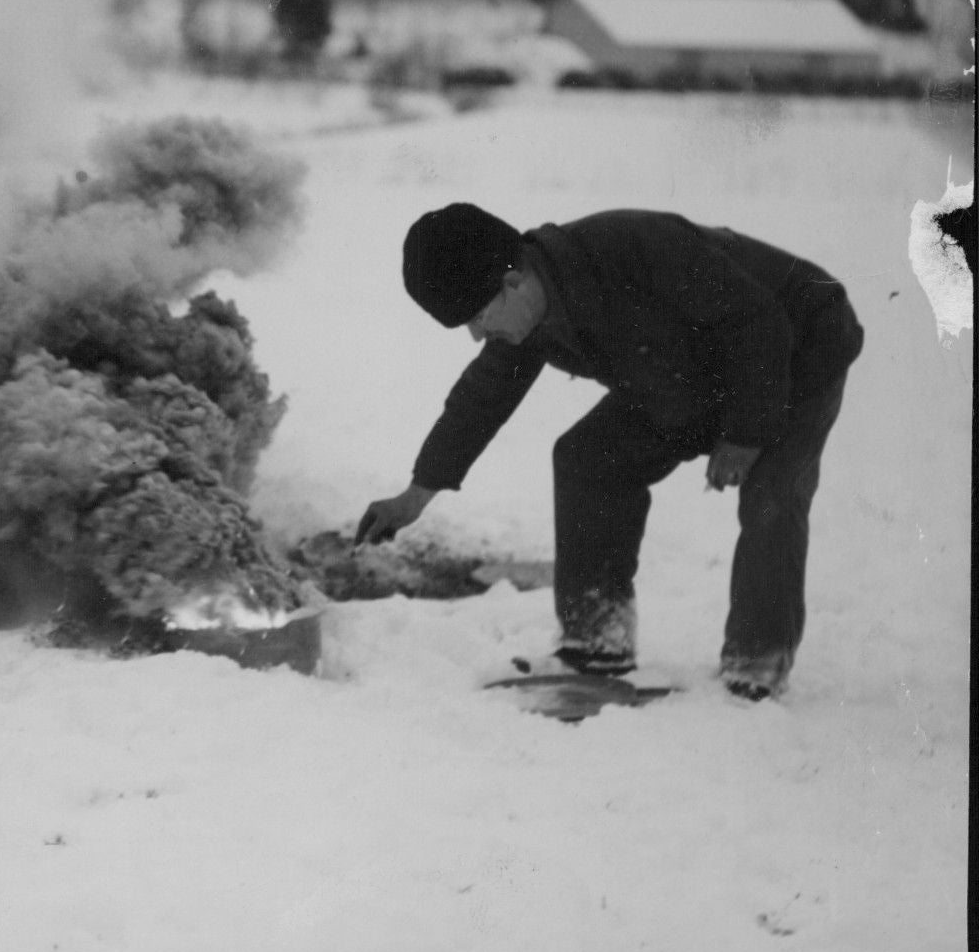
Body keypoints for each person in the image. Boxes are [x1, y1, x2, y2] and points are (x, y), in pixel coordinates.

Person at [356, 203, 864, 701]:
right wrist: (416, 495)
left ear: (514, 281)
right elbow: (480, 400)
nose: (476, 335)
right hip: (682, 373)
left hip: (794, 345)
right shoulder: (529, 309)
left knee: (772, 492)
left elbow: (756, 320)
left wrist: (746, 434)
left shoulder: (635, 248)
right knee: (589, 459)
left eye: (477, 317)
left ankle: (758, 663)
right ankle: (597, 641)